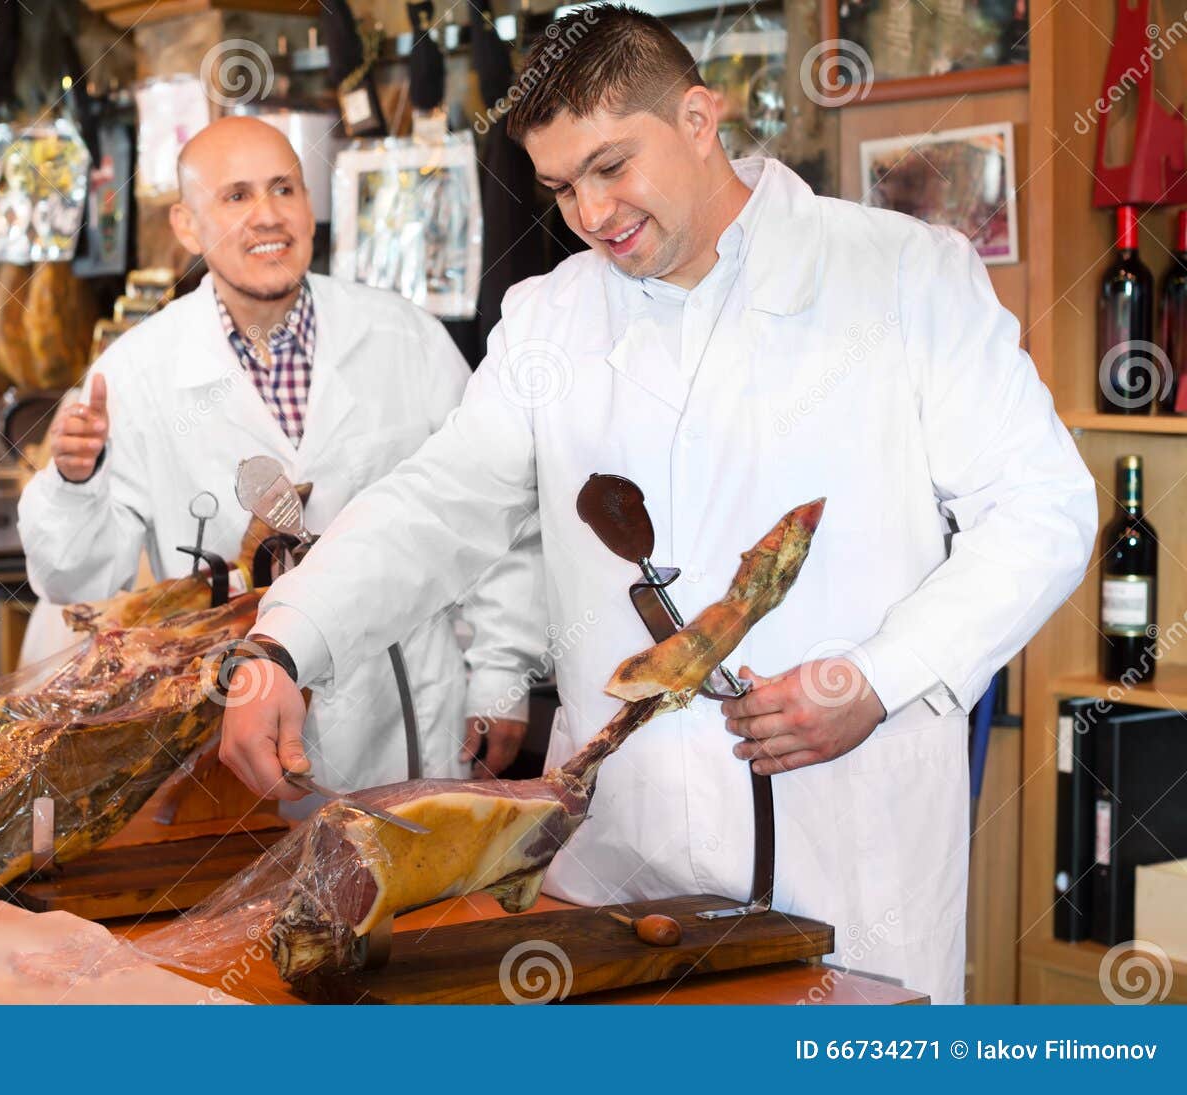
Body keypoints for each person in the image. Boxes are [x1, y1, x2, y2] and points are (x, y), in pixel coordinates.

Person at [217, 6, 1096, 1003]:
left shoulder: (902, 277)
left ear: (697, 117)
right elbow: (437, 506)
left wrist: (877, 678)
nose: (592, 214)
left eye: (610, 167)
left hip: (843, 854)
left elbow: (1041, 509)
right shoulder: (550, 318)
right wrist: (285, 641)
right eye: (562, 188)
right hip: (614, 872)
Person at [17, 116, 543, 791]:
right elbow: (78, 580)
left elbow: (492, 506)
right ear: (186, 225)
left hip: (406, 723)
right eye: (236, 196)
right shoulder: (135, 373)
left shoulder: (404, 336)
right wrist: (74, 483)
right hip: (230, 738)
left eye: (284, 189)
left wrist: (502, 673)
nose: (268, 215)